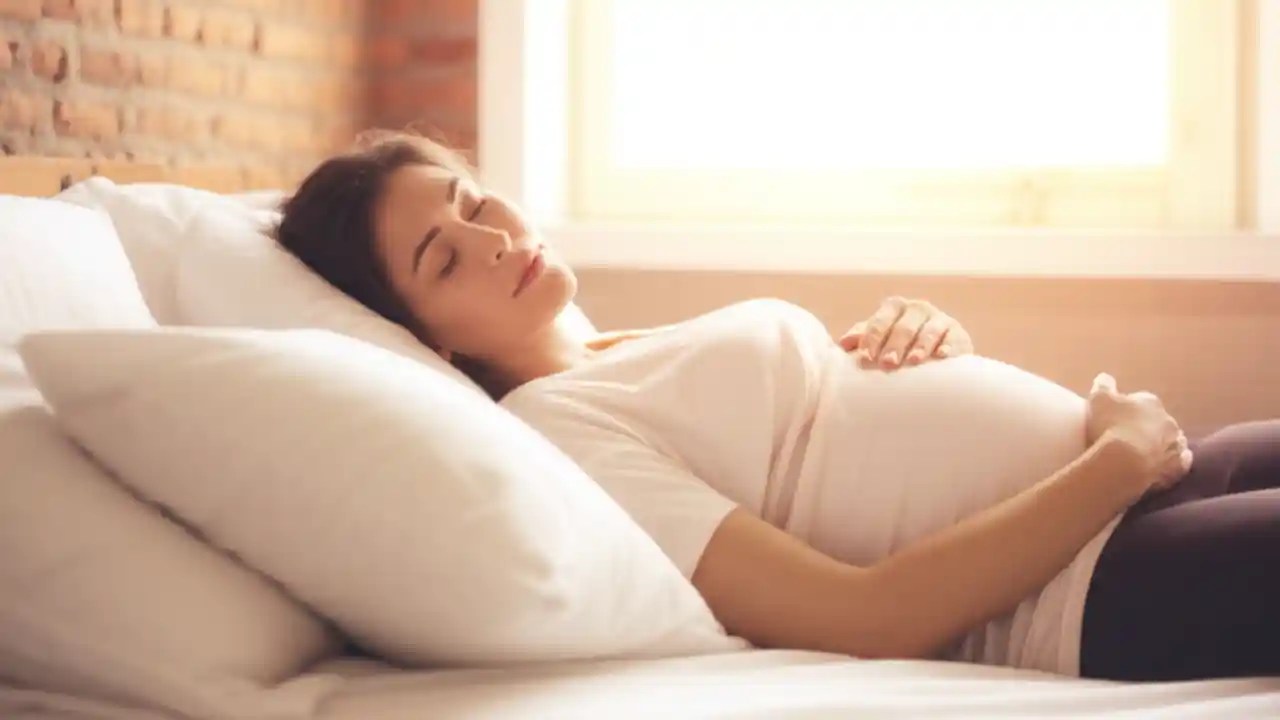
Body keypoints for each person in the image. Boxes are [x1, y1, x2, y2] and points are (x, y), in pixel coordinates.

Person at [272, 130, 1279, 682]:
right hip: (1092, 582)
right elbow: (868, 617)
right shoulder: (558, 436)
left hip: (1150, 477)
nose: (490, 239)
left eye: (471, 202)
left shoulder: (623, 352)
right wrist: (1114, 460)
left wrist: (922, 340)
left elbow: (838, 445)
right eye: (442, 257)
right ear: (426, 338)